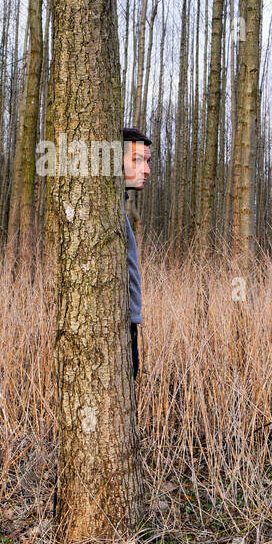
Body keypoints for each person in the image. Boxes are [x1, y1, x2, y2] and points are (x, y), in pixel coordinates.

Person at [122, 127, 152, 378]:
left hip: (128, 326)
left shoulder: (120, 211)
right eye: (137, 160)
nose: (146, 170)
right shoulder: (106, 216)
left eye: (147, 161)